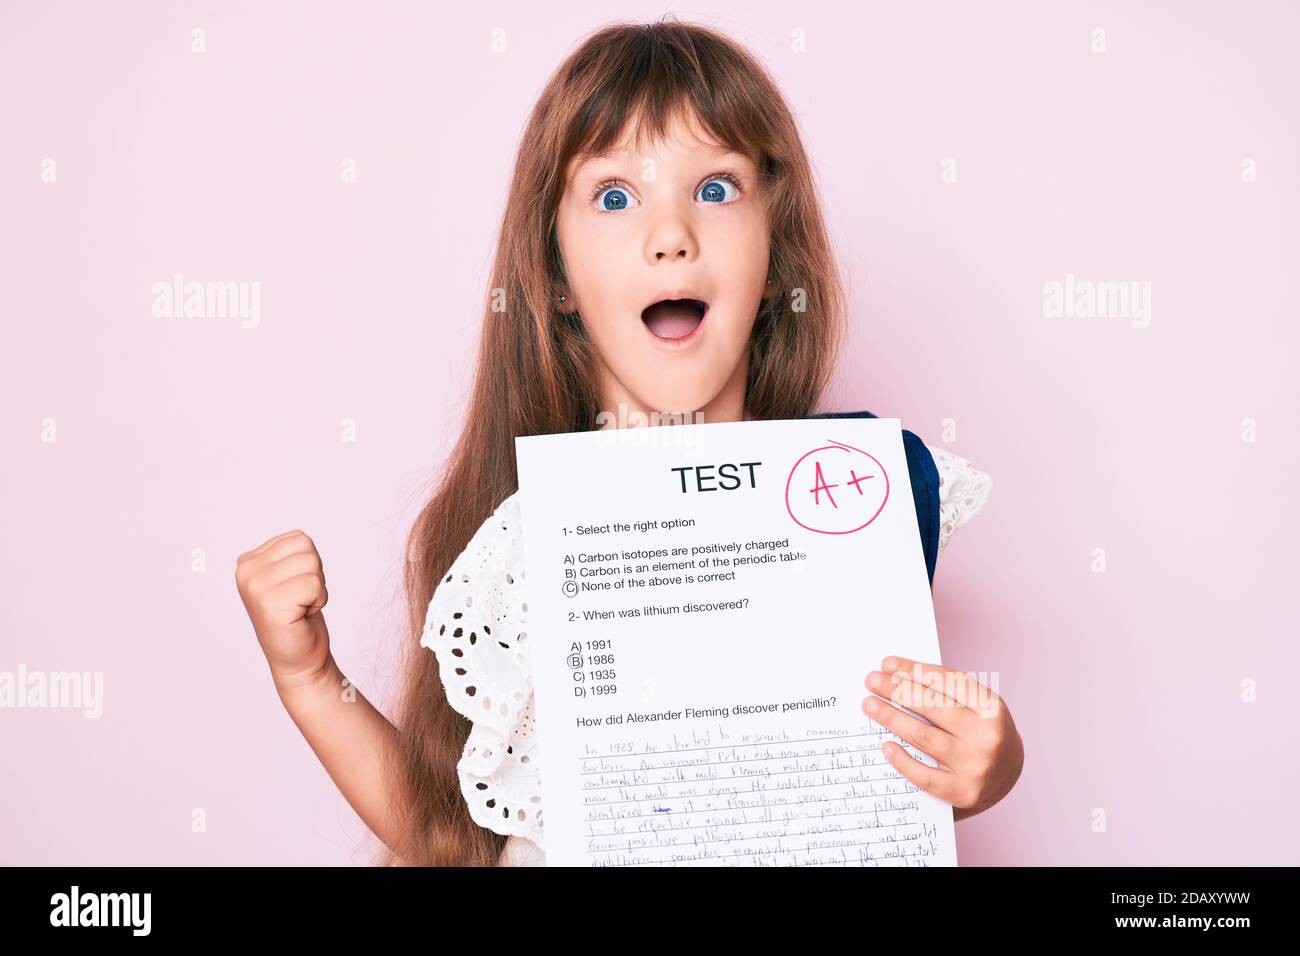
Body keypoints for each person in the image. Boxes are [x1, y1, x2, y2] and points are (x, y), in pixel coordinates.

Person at [235, 18, 1019, 868]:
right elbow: (451, 842)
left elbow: (891, 756)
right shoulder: (509, 542)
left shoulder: (865, 496)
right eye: (615, 196)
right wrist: (311, 679)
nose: (671, 233)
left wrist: (992, 764)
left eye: (716, 189)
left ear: (776, 258)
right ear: (559, 277)